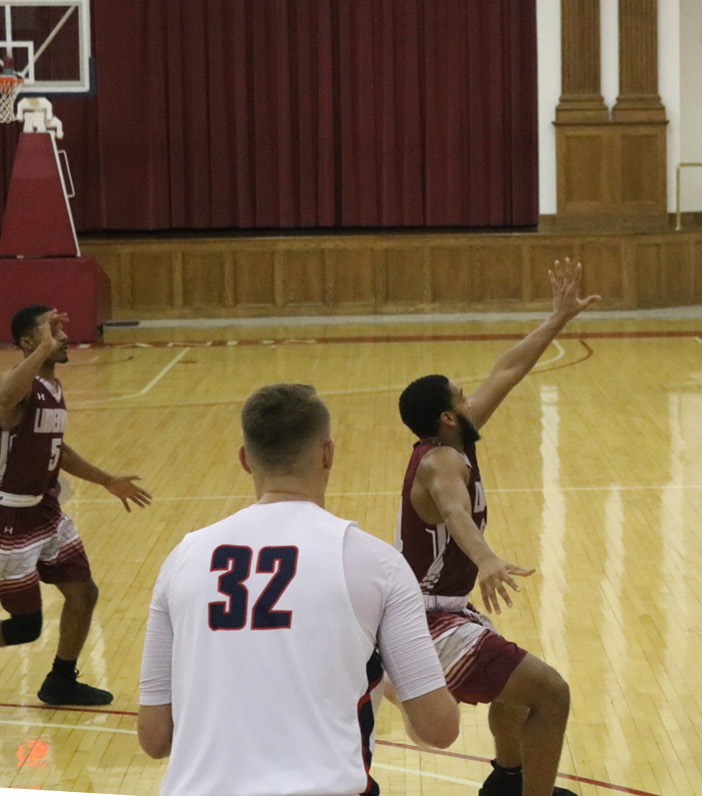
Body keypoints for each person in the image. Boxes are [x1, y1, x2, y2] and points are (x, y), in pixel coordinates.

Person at [137, 384, 460, 795]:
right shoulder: (377, 564)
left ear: (245, 460)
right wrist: (394, 689)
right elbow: (439, 729)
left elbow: (154, 737)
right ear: (328, 454)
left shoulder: (181, 558)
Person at [397, 259, 596, 796]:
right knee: (551, 693)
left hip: (440, 607)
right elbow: (454, 511)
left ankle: (508, 779)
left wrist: (558, 318)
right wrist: (485, 558)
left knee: (514, 695)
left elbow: (507, 370)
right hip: (426, 620)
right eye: (462, 397)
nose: (472, 399)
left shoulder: (454, 436)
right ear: (447, 417)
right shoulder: (441, 462)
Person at [1, 306, 152, 706]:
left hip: (45, 510)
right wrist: (41, 350)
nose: (64, 337)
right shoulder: (18, 387)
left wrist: (106, 480)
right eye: (52, 330)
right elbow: (3, 398)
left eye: (62, 330)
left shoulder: (51, 387)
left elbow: (56, 446)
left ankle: (61, 680)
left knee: (83, 593)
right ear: (28, 343)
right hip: (9, 516)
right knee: (26, 627)